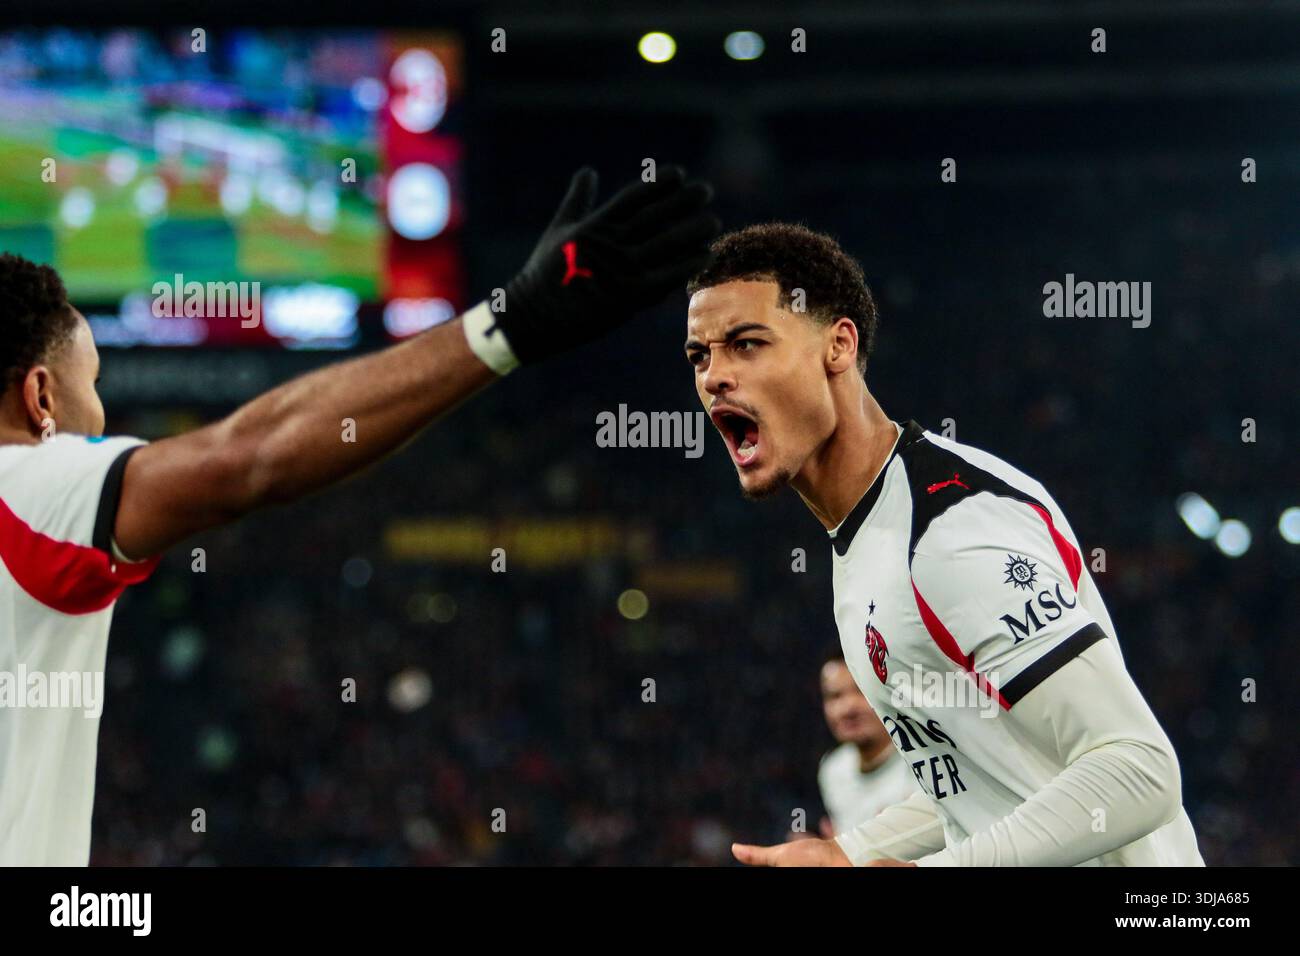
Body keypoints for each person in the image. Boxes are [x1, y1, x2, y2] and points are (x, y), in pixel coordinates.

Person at [0, 166, 719, 865]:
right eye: (91, 384)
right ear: (40, 398)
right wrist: (507, 326)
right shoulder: (27, 487)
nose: (102, 412)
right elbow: (250, 458)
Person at [681, 223, 1203, 866]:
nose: (714, 378)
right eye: (700, 357)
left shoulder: (954, 529)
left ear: (838, 345)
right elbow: (972, 771)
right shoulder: (862, 538)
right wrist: (849, 853)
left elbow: (1140, 768)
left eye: (747, 344)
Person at [817, 652, 917, 836]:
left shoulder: (921, 762)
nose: (848, 708)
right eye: (835, 696)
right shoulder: (833, 770)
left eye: (861, 691)